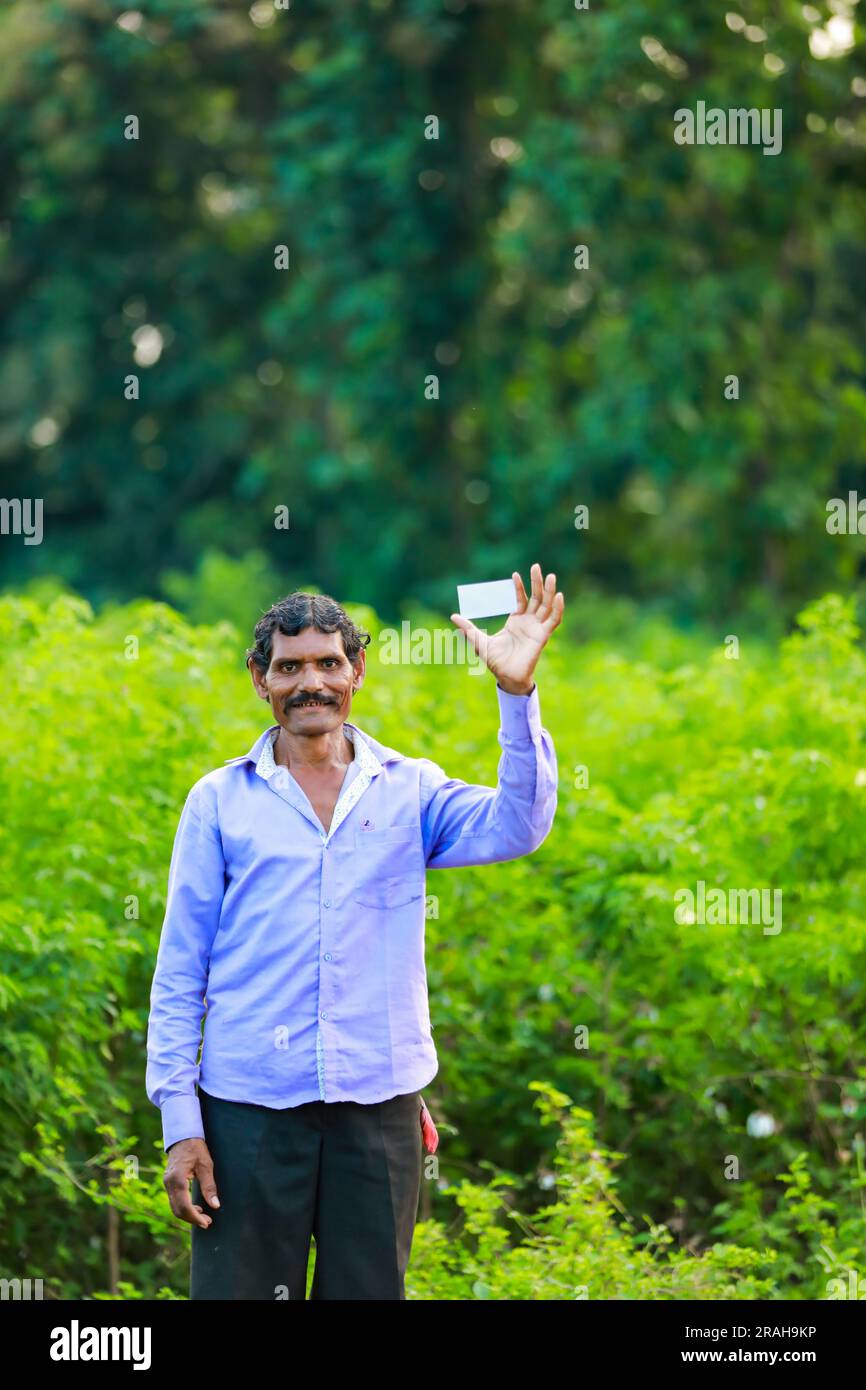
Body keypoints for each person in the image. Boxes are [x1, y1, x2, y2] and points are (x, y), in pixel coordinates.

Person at [146, 563, 563, 1299]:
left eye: (328, 664)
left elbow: (518, 826)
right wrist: (183, 1124)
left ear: (357, 670)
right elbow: (181, 973)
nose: (311, 682)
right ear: (259, 678)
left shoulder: (410, 790)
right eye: (290, 667)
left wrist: (516, 691)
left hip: (378, 1111)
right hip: (247, 1112)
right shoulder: (218, 802)